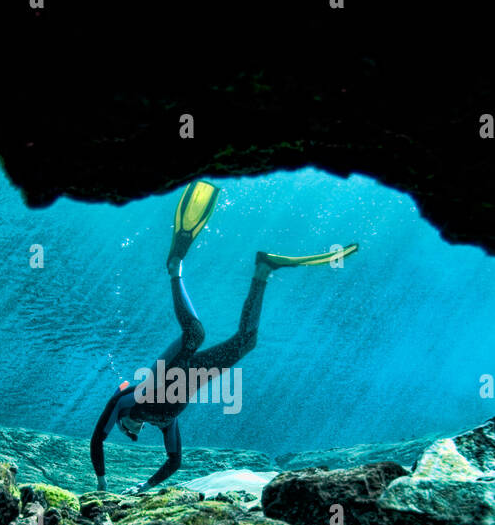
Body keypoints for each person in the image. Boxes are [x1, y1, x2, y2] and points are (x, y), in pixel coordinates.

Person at [90, 180, 358, 494]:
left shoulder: (127, 399)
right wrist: (146, 485)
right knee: (247, 341)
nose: (130, 431)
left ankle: (174, 267)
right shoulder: (165, 422)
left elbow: (98, 439)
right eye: (132, 432)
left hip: (169, 368)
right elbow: (175, 461)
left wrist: (101, 486)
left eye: (124, 428)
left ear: (121, 419)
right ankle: (263, 270)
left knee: (195, 333)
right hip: (196, 373)